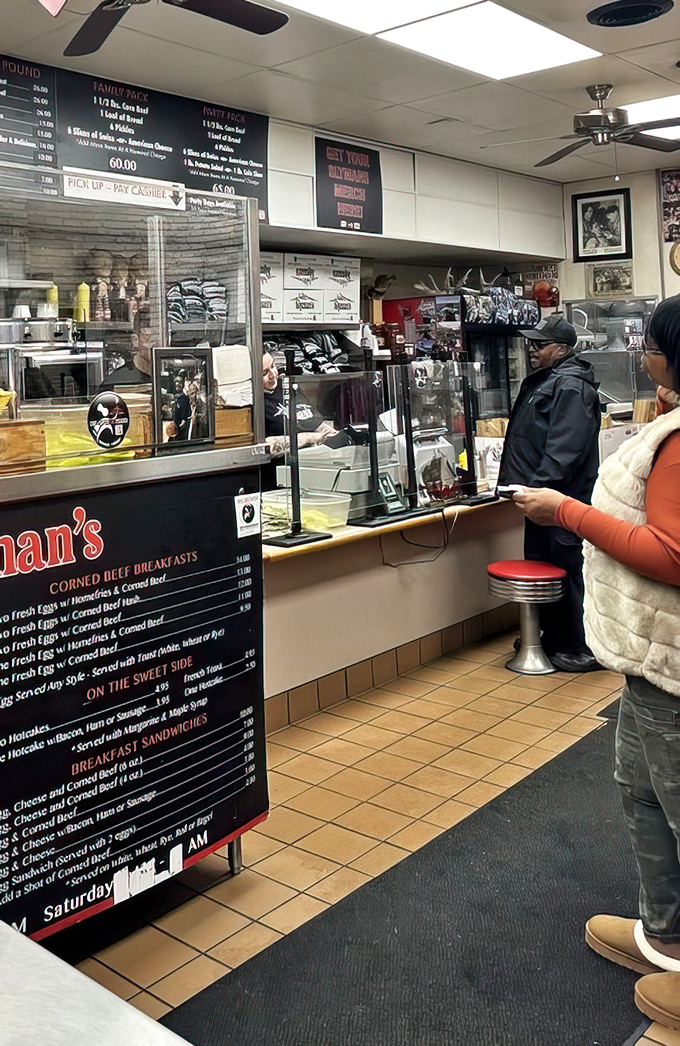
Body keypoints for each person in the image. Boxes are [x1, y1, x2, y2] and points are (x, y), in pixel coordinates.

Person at [512, 295, 680, 1032]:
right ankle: (666, 935)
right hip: (648, 658)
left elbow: (671, 556)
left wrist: (567, 511)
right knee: (638, 789)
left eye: (650, 343)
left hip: (672, 661)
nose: (642, 355)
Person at [497, 313, 601, 671]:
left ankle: (579, 645)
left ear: (562, 349)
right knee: (545, 568)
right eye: (532, 344)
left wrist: (539, 489)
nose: (533, 350)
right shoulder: (548, 380)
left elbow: (564, 449)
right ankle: (553, 637)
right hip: (539, 499)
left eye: (540, 345)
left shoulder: (571, 386)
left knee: (567, 571)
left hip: (560, 500)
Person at [100, 302, 154, 388]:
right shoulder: (117, 382)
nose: (155, 345)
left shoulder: (170, 380)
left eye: (158, 340)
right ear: (135, 340)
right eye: (149, 339)